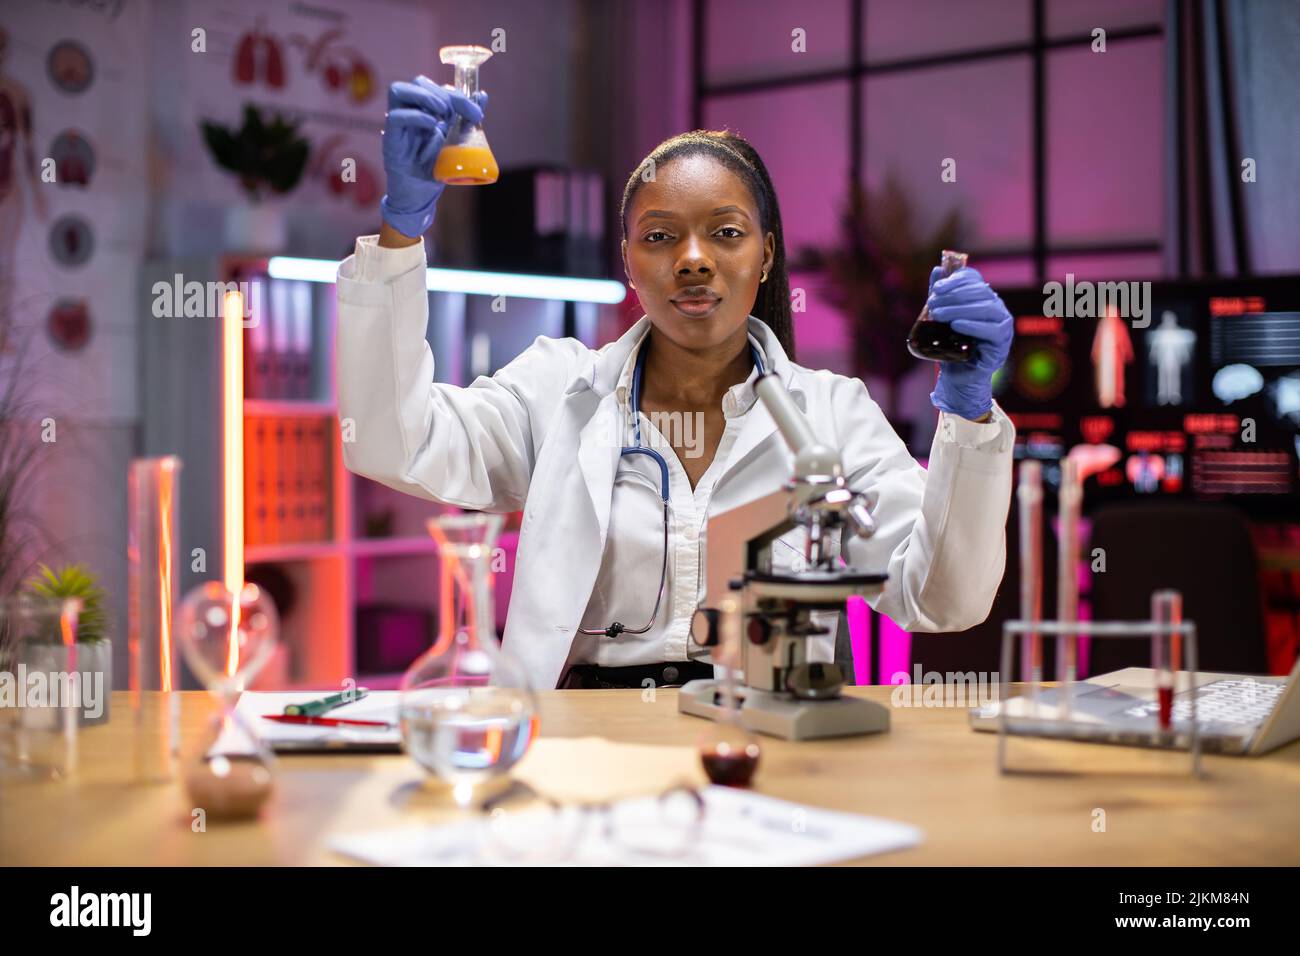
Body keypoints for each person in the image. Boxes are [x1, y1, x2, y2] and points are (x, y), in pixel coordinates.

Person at [335, 77, 1016, 691]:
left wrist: (970, 415)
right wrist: (400, 235)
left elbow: (941, 599)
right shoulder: (558, 391)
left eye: (725, 232)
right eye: (659, 237)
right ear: (627, 260)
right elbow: (392, 441)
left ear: (766, 253)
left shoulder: (831, 414)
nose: (693, 260)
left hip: (775, 737)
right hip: (589, 745)